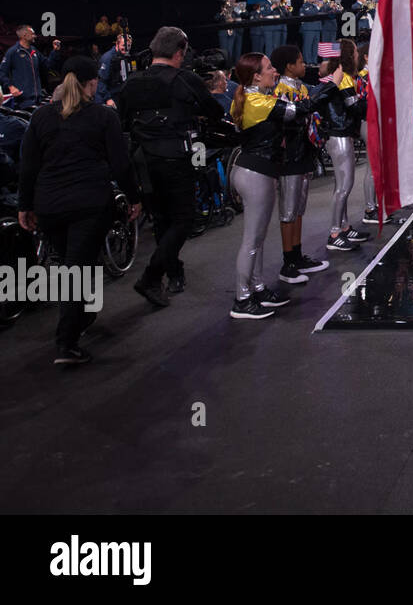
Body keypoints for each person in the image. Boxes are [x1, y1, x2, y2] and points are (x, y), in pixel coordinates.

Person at [17, 55, 143, 365]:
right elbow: (120, 164)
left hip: (49, 206)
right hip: (88, 204)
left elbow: (29, 165)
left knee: (71, 267)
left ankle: (81, 318)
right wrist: (135, 196)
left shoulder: (41, 117)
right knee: (77, 270)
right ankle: (66, 343)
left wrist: (25, 205)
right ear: (93, 83)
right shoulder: (103, 117)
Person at [116, 26, 227, 305]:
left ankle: (173, 273)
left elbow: (123, 122)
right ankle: (152, 277)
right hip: (175, 157)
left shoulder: (132, 82)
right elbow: (215, 112)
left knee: (163, 220)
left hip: (143, 160)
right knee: (183, 219)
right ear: (180, 52)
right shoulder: (185, 80)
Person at [228, 52, 322, 318]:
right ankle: (242, 299)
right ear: (256, 75)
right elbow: (299, 109)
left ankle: (256, 287)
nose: (275, 71)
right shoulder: (255, 100)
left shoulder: (252, 98)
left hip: (257, 171)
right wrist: (330, 85)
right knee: (251, 239)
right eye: (270, 68)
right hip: (255, 172)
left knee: (256, 238)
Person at [270, 45, 331, 285]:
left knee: (298, 208)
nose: (305, 65)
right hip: (289, 155)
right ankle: (288, 263)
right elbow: (289, 119)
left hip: (303, 152)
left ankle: (297, 254)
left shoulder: (301, 87)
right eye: (301, 61)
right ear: (289, 66)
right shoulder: (279, 89)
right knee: (288, 210)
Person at [314, 39, 370, 254]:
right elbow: (355, 107)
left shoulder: (343, 76)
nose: (357, 54)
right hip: (338, 134)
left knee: (343, 184)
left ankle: (344, 227)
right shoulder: (344, 78)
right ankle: (335, 232)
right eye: (354, 51)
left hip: (340, 133)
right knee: (344, 186)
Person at [1, 25, 64, 109]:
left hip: (38, 98)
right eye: (32, 34)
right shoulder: (13, 52)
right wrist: (10, 87)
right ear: (24, 35)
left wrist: (55, 51)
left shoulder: (34, 51)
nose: (35, 36)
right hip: (22, 100)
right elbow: (1, 72)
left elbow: (48, 65)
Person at [95, 33, 133, 107]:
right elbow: (100, 81)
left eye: (129, 46)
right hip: (105, 97)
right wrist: (107, 99)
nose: (126, 48)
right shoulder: (108, 58)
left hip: (117, 93)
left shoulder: (125, 56)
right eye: (123, 45)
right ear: (117, 44)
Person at [299, 0, 322, 64]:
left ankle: (314, 61)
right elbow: (310, 13)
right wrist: (318, 7)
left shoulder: (315, 6)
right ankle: (307, 61)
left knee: (315, 47)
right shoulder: (304, 6)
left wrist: (319, 6)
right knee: (308, 46)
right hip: (309, 29)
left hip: (317, 28)